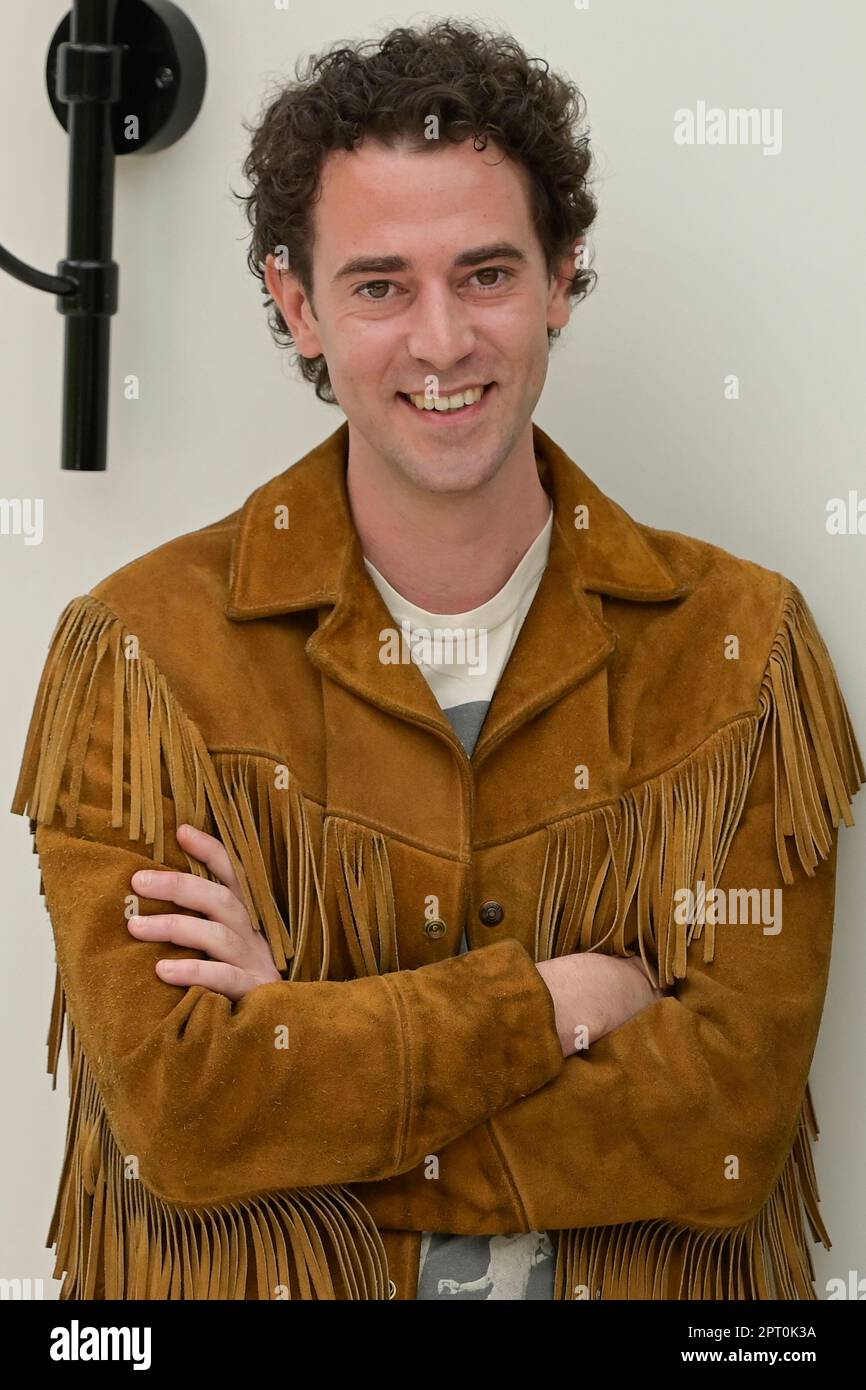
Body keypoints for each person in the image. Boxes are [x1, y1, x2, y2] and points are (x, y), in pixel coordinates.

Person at [12, 18, 863, 1301]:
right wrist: (564, 998)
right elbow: (183, 1119)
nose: (442, 341)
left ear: (560, 277)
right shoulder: (140, 653)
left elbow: (723, 1130)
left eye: (484, 274)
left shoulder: (738, 650)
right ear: (296, 303)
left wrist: (303, 1048)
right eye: (377, 286)